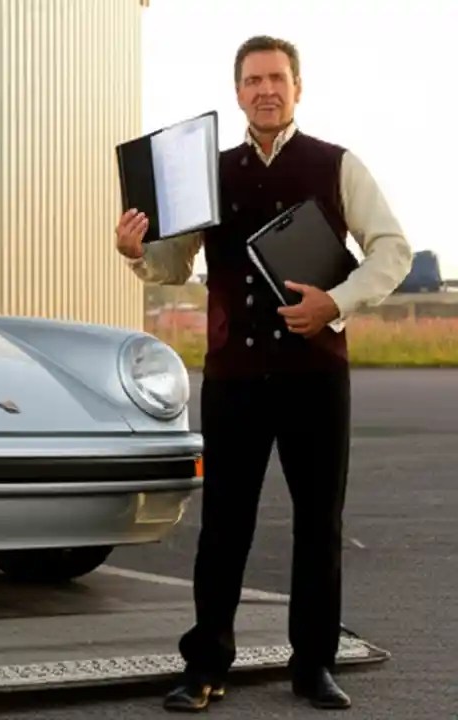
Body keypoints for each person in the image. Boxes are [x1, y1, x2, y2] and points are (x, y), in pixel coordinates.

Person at [114, 35, 412, 712]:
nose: (266, 90)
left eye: (277, 78)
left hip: (316, 377)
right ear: (238, 92)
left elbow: (393, 249)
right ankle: (205, 666)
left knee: (319, 525)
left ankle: (314, 666)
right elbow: (172, 266)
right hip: (235, 378)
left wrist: (337, 301)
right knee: (224, 526)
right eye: (253, 80)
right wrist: (136, 251)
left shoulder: (337, 164)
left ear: (298, 87)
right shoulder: (207, 172)